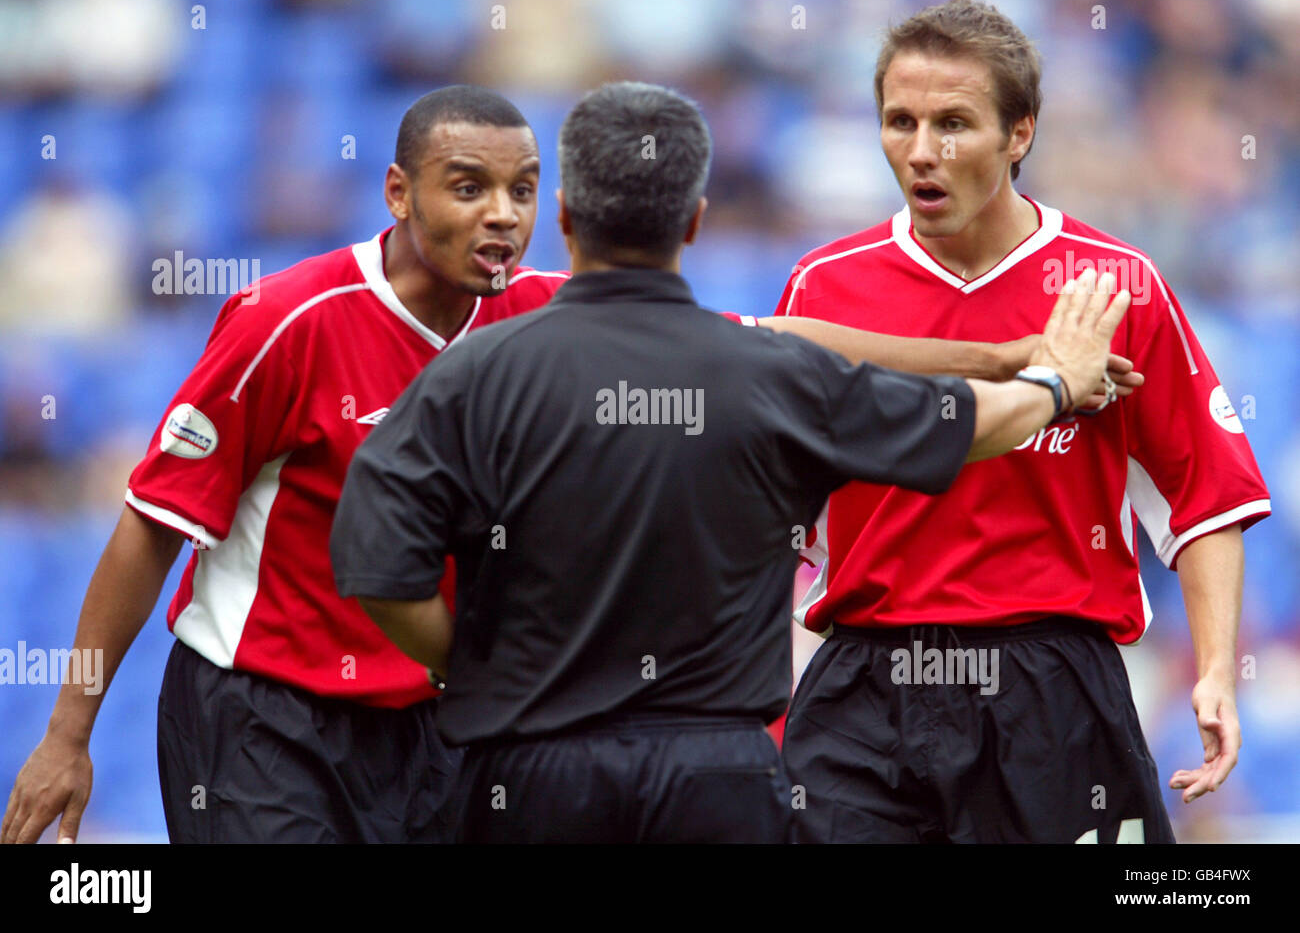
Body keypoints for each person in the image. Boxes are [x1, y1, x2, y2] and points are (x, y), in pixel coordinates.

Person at [0, 82, 1100, 845]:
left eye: (521, 191)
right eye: (467, 187)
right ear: (397, 194)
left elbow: (771, 343)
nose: (500, 217)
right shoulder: (288, 320)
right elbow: (151, 521)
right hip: (265, 713)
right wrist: (65, 731)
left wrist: (1000, 350)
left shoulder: (532, 316)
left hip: (434, 721)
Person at [329, 80, 1132, 844]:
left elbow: (372, 564)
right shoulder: (766, 378)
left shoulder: (469, 378)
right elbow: (966, 429)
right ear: (694, 222)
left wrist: (470, 664)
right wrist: (1054, 383)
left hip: (526, 774)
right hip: (719, 778)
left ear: (567, 219)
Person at [776, 0, 1271, 843]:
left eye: (955, 123)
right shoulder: (825, 288)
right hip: (865, 685)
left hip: (1051, 689)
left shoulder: (1119, 284)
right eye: (901, 121)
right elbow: (776, 516)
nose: (922, 151)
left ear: (1021, 134)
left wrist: (1217, 670)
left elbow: (1206, 499)